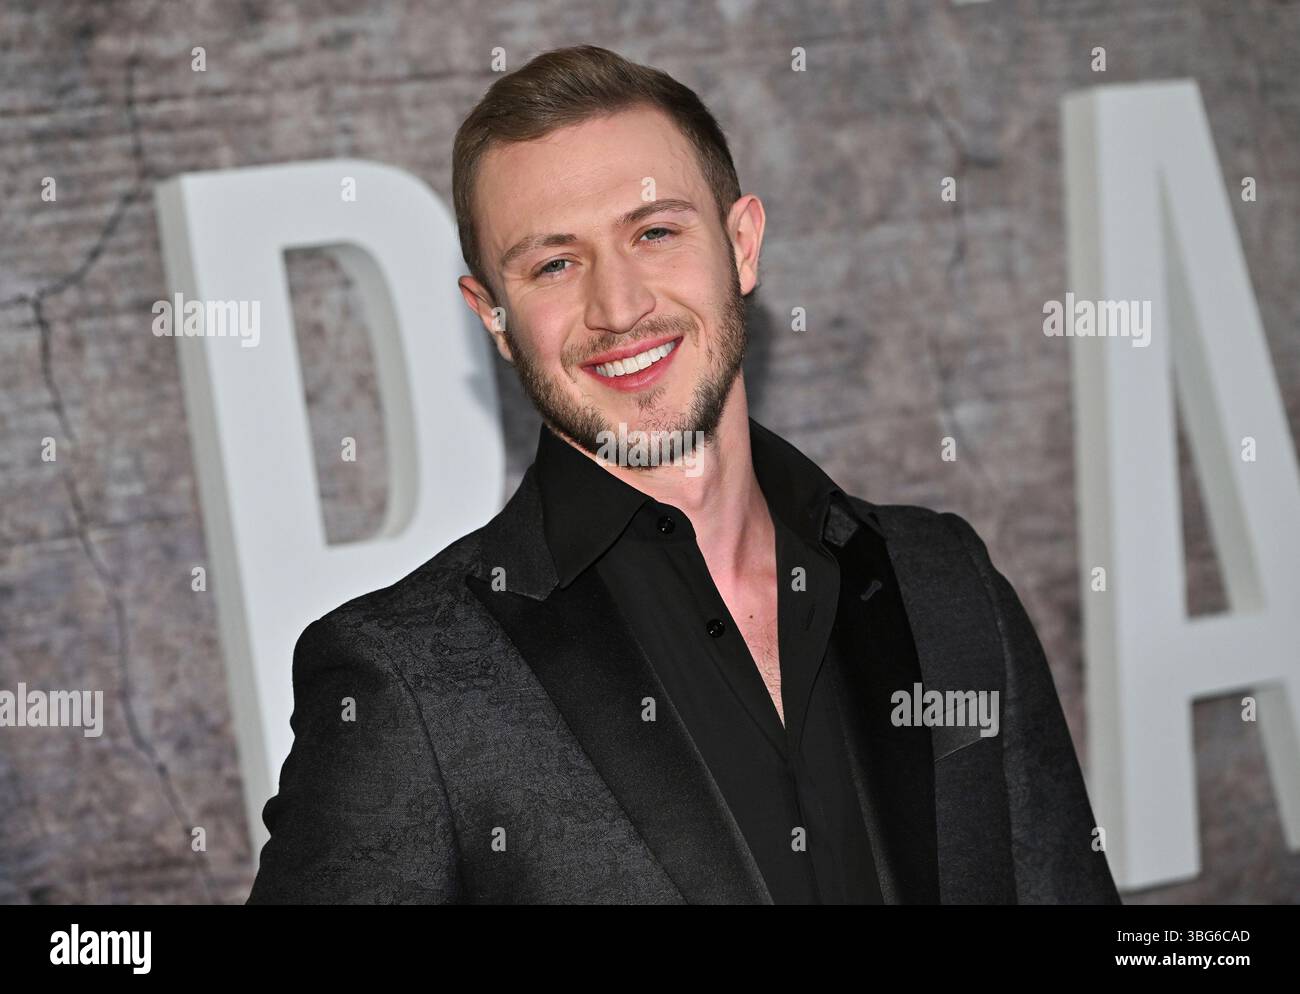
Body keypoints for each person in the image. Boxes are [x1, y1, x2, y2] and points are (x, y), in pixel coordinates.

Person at [246, 44, 1120, 905]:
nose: (619, 307)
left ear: (742, 245)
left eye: (655, 233)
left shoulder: (943, 580)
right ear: (495, 316)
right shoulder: (405, 680)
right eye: (555, 263)